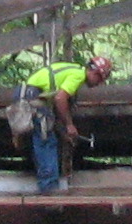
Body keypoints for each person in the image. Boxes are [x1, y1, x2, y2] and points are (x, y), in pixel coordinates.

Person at [23, 52, 111, 194]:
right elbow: (60, 99)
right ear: (94, 73)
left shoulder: (75, 70)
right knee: (46, 141)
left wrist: (63, 129)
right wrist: (69, 125)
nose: (98, 84)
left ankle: (48, 184)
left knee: (45, 140)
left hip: (35, 96)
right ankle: (49, 189)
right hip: (35, 97)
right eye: (99, 79)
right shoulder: (78, 75)